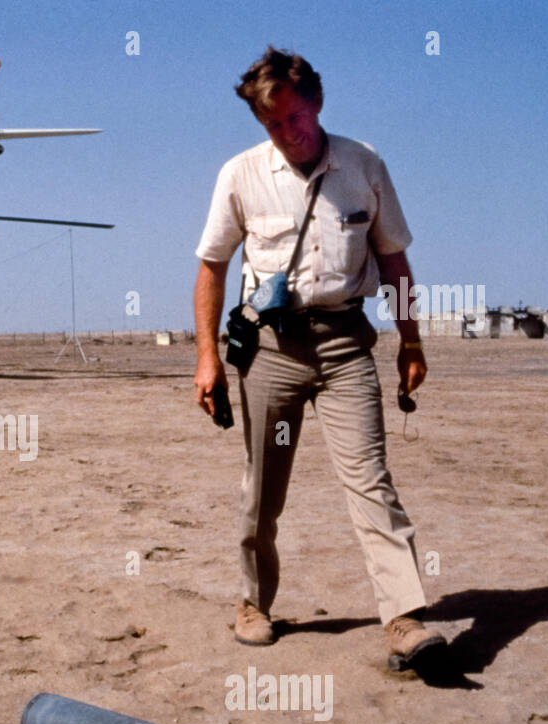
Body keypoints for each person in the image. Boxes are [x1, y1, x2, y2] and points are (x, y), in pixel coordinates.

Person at [192, 46, 446, 671]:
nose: (286, 133)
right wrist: (207, 359)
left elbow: (393, 261)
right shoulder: (240, 175)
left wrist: (410, 339)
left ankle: (404, 619)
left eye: (294, 118)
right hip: (272, 351)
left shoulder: (365, 165)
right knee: (262, 490)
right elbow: (211, 266)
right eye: (272, 124)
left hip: (344, 346)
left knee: (370, 480)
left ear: (318, 103)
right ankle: (253, 603)